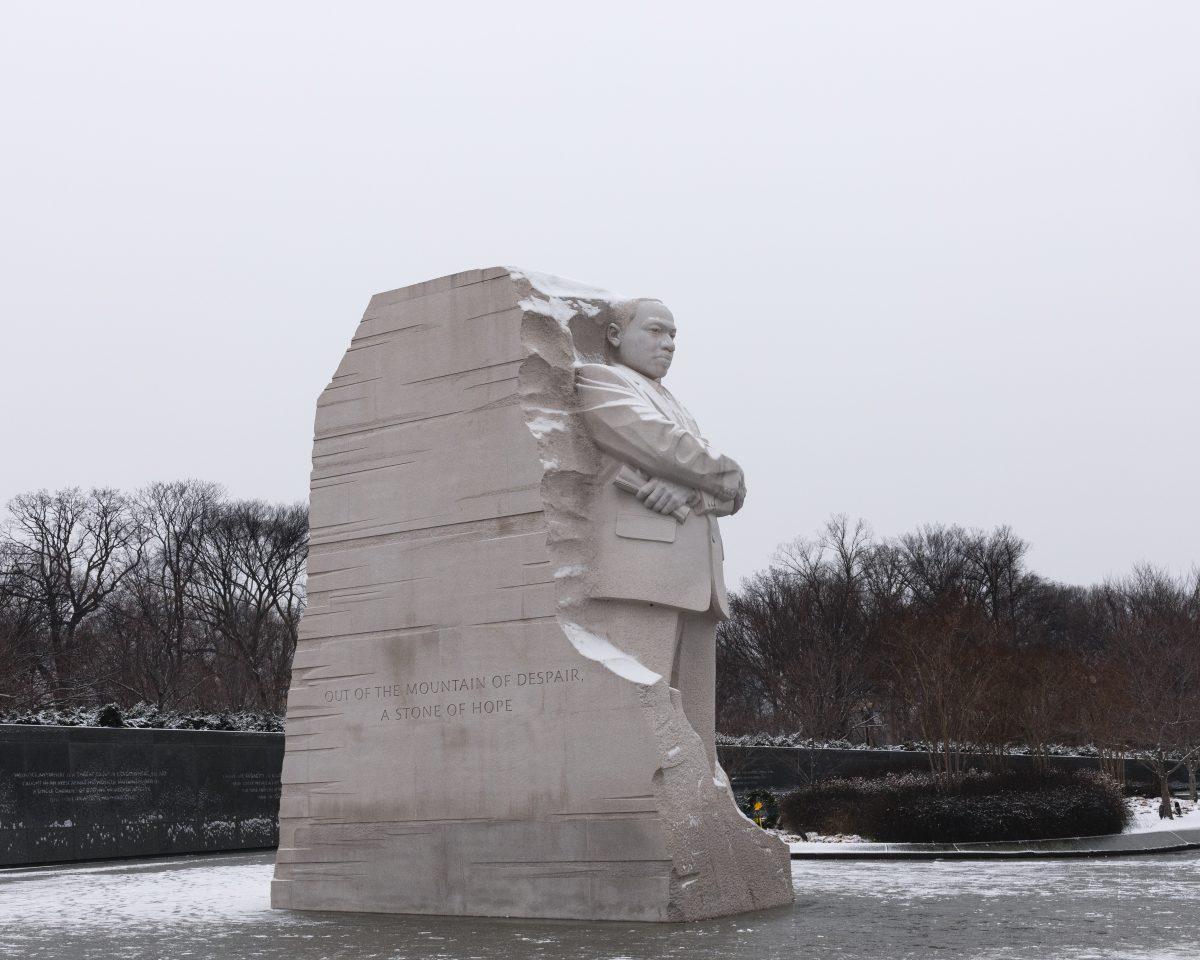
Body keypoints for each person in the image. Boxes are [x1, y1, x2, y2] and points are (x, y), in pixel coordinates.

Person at [574, 298, 746, 768]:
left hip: (697, 581)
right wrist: (722, 474)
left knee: (695, 737)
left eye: (673, 336)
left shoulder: (678, 406)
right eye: (655, 331)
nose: (668, 345)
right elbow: (661, 445)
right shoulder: (600, 380)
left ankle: (696, 815)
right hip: (641, 574)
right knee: (639, 722)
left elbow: (731, 494)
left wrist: (691, 492)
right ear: (613, 335)